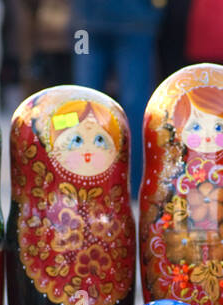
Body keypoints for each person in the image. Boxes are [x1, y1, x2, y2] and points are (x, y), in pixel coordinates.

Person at [70, 0, 163, 194]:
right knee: (135, 101)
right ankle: (138, 182)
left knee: (84, 101)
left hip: (86, 24)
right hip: (135, 19)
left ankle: (81, 182)